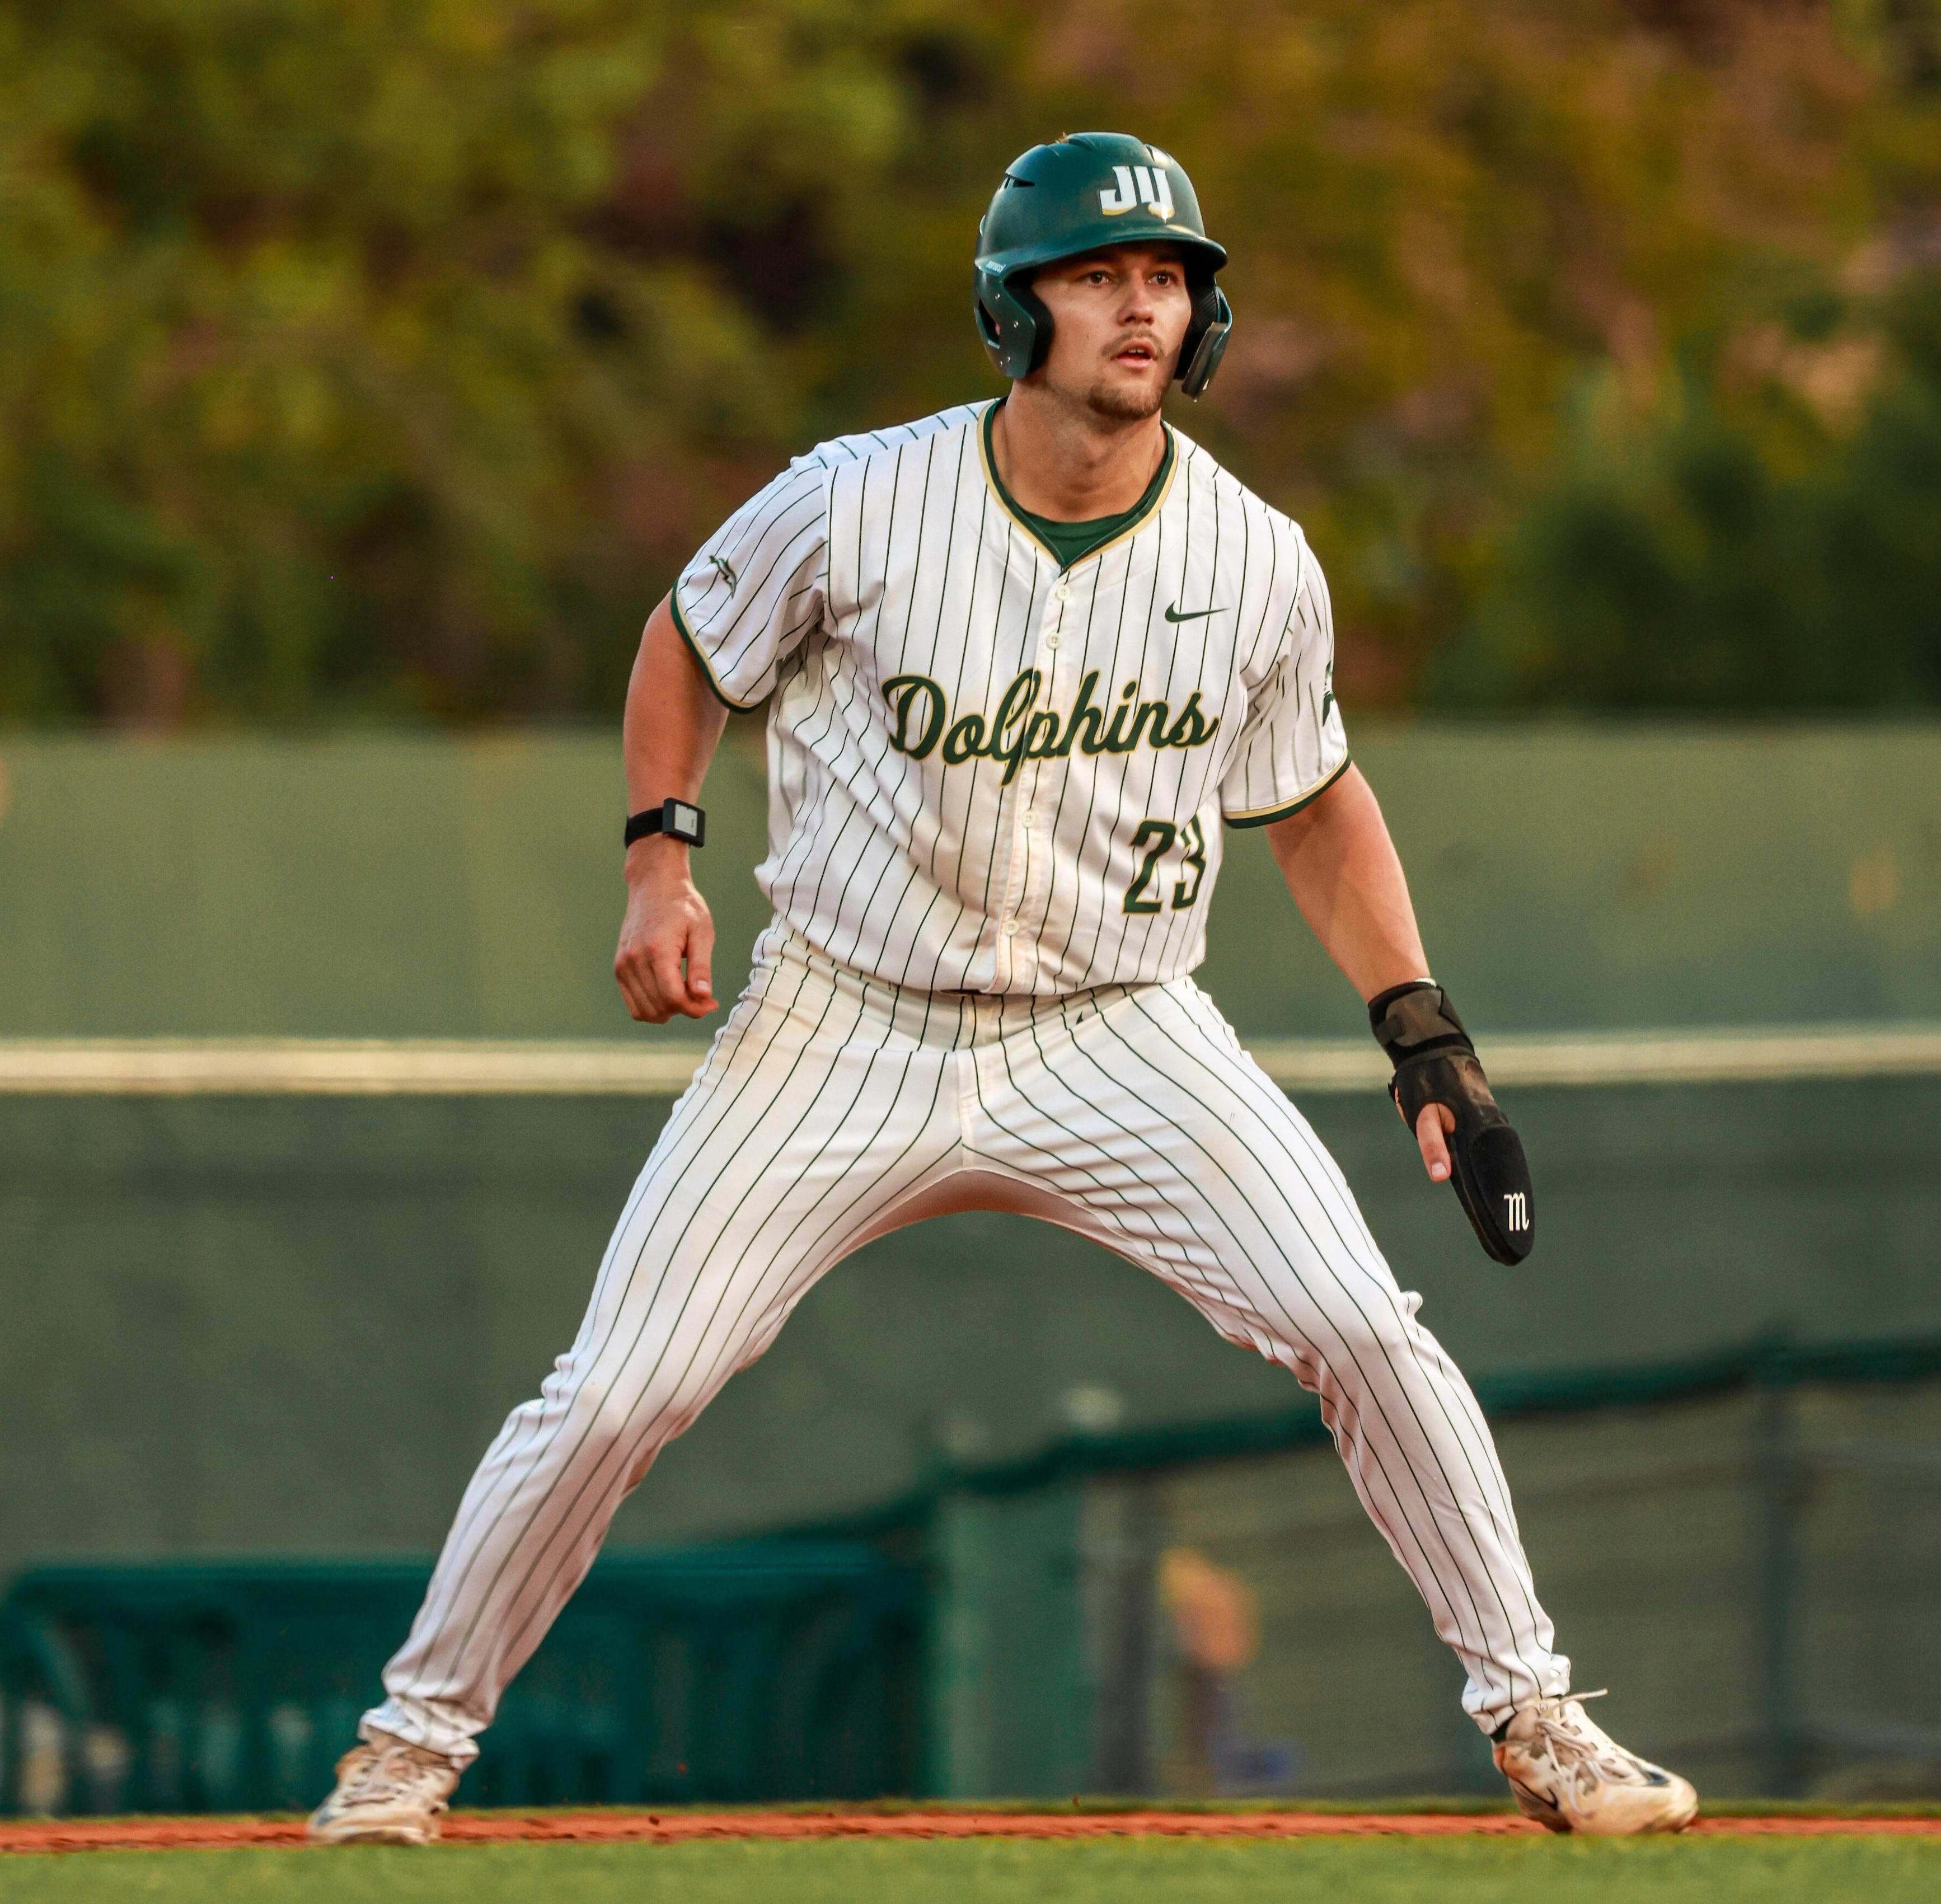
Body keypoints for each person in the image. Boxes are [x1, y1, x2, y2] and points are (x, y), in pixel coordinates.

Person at [309, 133, 1696, 1844]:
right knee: (616, 1389)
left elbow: (1315, 797)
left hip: (1122, 1032)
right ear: (1011, 306)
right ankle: (407, 1749)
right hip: (843, 1020)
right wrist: (657, 858)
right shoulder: (855, 495)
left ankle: (1539, 1718)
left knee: (1360, 1326)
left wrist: (1424, 1037)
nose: (1140, 303)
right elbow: (687, 639)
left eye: (1167, 275)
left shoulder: (1257, 556)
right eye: (1097, 274)